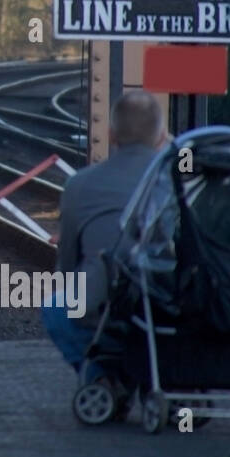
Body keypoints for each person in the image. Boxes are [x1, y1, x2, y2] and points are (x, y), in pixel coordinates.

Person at [41, 90, 166, 379]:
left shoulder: (79, 184)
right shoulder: (178, 183)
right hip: (170, 311)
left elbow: (68, 261)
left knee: (55, 308)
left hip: (101, 310)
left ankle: (100, 376)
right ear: (161, 138)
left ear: (111, 135)